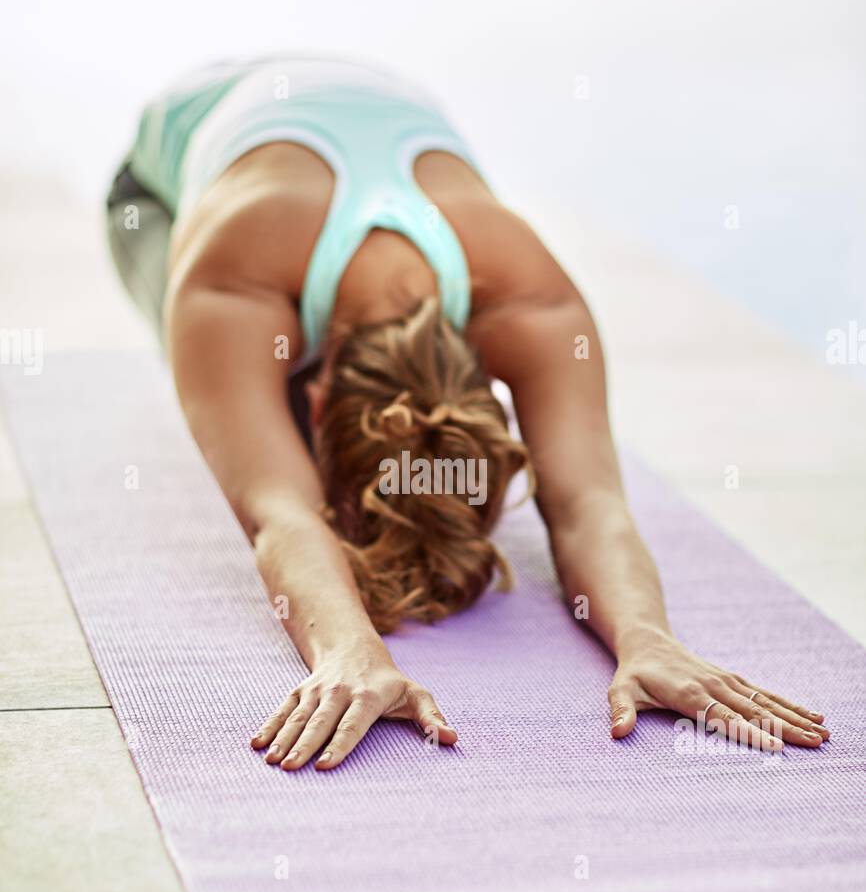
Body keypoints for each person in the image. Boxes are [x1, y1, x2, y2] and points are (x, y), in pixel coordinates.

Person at [106, 54, 828, 771]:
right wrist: (348, 648)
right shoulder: (230, 272)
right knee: (244, 415)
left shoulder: (532, 301)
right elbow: (278, 509)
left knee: (337, 458)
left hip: (351, 127)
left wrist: (649, 636)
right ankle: (291, 419)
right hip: (152, 190)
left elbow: (587, 502)